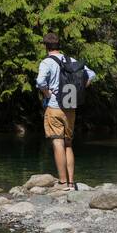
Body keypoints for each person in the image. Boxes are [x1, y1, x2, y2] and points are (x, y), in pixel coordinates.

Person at [35, 32, 95, 190]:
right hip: (70, 107)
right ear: (59, 45)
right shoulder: (71, 60)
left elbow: (40, 81)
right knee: (68, 144)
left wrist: (47, 93)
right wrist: (81, 88)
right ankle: (70, 182)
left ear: (45, 46)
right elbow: (91, 74)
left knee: (58, 143)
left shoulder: (46, 62)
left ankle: (62, 183)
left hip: (54, 107)